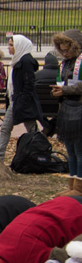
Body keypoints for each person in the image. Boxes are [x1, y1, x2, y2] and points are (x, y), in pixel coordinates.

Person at [0, 34, 41, 159]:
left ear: (19, 46)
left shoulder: (25, 61)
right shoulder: (17, 60)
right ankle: (0, 156)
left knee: (30, 129)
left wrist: (22, 101)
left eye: (11, 45)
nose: (8, 47)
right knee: (7, 128)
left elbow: (29, 83)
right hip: (16, 101)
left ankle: (39, 153)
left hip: (21, 101)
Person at [52, 29, 82, 194]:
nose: (64, 53)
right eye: (61, 50)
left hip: (79, 109)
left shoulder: (81, 61)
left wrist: (65, 91)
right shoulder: (64, 63)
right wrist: (58, 90)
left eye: (67, 50)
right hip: (67, 109)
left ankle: (79, 186)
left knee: (79, 150)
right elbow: (62, 82)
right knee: (70, 150)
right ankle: (72, 184)